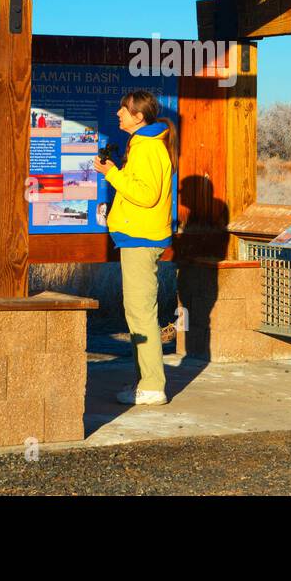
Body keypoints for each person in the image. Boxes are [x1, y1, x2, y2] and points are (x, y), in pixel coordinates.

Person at [91, 89, 176, 407]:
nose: (118, 114)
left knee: (141, 313)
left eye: (123, 110)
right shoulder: (144, 145)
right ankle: (146, 381)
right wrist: (117, 172)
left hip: (141, 240)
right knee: (138, 311)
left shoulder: (148, 148)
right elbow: (143, 187)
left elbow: (147, 195)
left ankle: (153, 385)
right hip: (138, 238)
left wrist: (113, 174)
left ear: (139, 116)